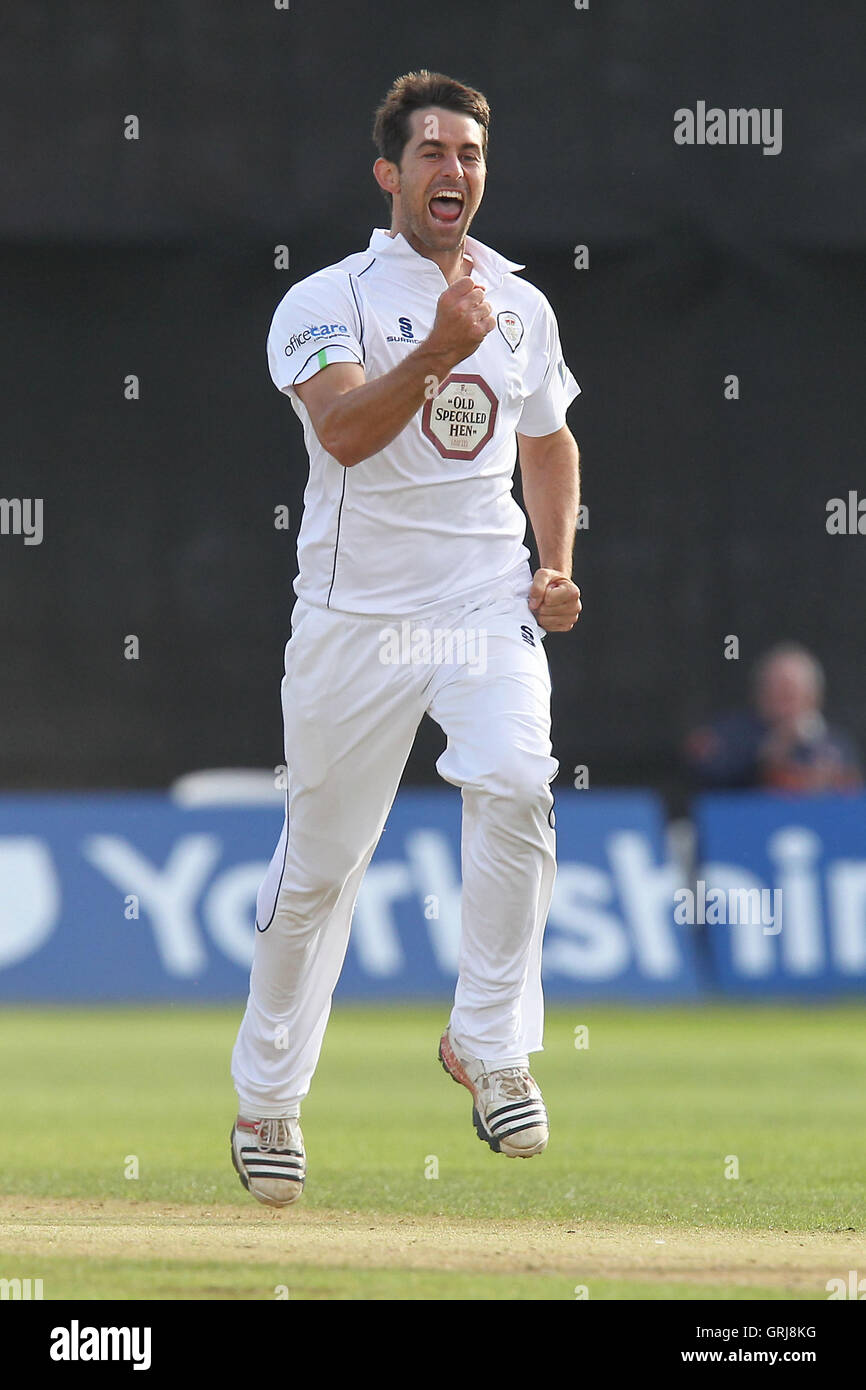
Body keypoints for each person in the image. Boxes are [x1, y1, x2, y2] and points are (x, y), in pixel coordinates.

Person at [230, 71, 582, 1206]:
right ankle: (268, 1099)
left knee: (519, 779)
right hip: (354, 615)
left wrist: (555, 559)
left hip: (480, 601)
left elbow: (548, 437)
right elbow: (340, 431)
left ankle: (487, 1042)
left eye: (470, 154)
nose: (454, 171)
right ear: (389, 173)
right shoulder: (323, 299)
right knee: (320, 870)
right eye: (432, 152)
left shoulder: (520, 302)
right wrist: (433, 347)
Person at [685, 643, 861, 793]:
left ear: (812, 697)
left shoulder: (833, 742)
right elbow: (709, 778)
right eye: (776, 689)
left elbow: (849, 791)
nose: (783, 699)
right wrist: (768, 753)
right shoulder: (731, 735)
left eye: (791, 692)